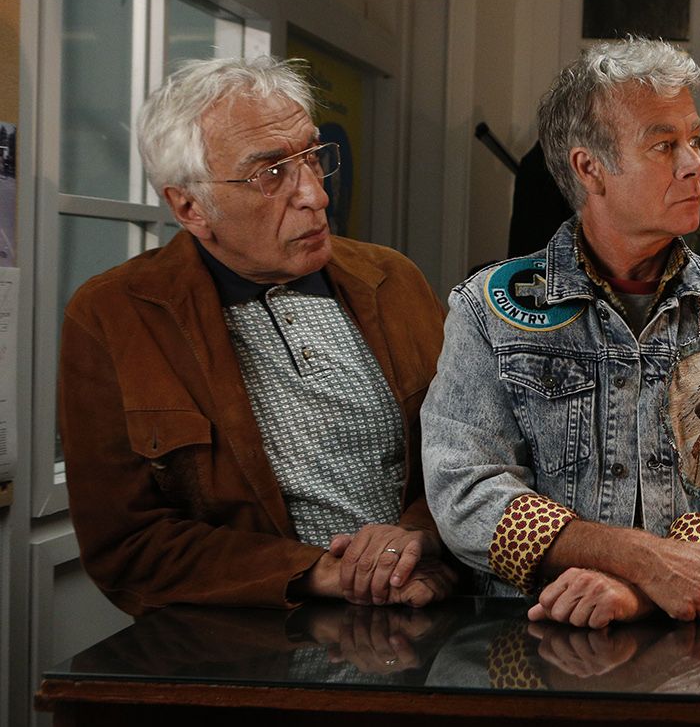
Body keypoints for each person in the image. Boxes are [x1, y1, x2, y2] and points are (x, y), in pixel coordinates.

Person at [423, 37, 700, 627]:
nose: (695, 163)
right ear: (590, 168)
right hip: (533, 645)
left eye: (694, 139)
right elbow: (465, 493)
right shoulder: (489, 309)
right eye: (664, 145)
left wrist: (649, 590)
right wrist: (640, 558)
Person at [60, 57, 454, 616]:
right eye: (271, 172)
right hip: (249, 643)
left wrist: (417, 537)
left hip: (424, 611)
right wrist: (321, 574)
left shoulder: (392, 280)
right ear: (190, 206)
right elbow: (126, 545)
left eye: (313, 157)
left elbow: (476, 454)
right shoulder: (114, 315)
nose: (315, 195)